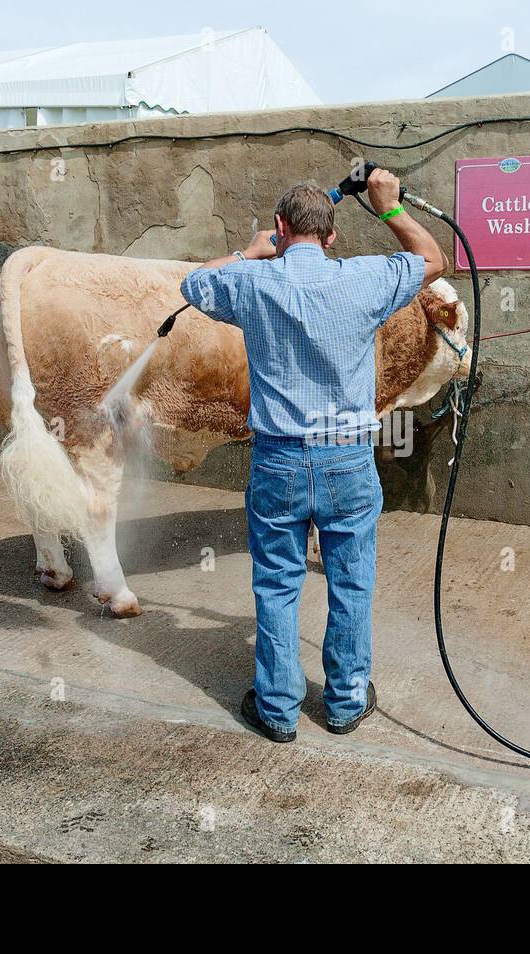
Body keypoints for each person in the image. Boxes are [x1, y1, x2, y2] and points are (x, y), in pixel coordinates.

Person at [180, 170, 445, 743]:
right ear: (332, 237)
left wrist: (247, 253)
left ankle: (277, 710)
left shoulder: (252, 283)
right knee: (351, 579)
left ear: (280, 229)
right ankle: (347, 701)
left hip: (277, 460)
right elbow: (433, 259)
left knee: (277, 582)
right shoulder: (364, 279)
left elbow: (192, 285)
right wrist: (389, 209)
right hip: (347, 460)